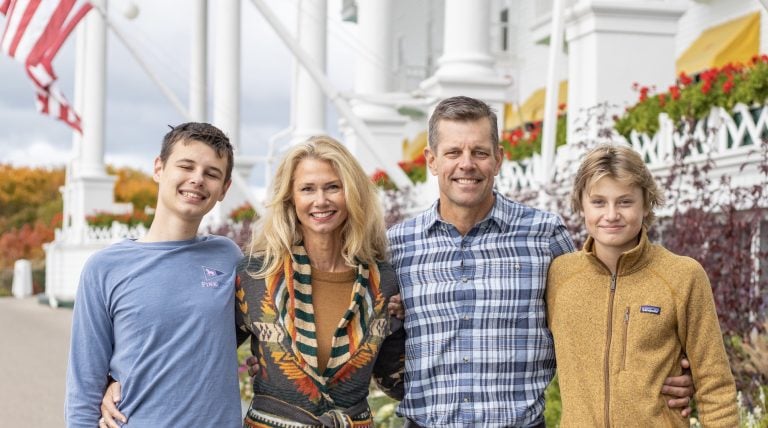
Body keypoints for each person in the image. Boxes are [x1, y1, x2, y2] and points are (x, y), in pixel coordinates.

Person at [386, 96, 695, 427]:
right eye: (453, 153)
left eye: (479, 152)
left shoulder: (544, 235)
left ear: (499, 158)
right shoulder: (399, 245)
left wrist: (668, 369)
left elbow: (600, 314)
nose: (467, 164)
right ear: (431, 161)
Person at [100, 136, 406, 427]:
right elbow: (198, 350)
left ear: (352, 193)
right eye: (308, 189)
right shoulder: (256, 275)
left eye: (333, 187)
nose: (321, 200)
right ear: (290, 198)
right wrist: (118, 381)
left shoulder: (383, 282)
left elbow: (396, 378)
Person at [546, 144, 738, 426]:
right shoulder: (559, 276)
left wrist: (690, 382)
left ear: (646, 203)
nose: (611, 215)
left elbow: (715, 383)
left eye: (625, 202)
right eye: (598, 202)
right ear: (581, 204)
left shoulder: (682, 275)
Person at [65, 122, 243, 427]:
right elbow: (83, 388)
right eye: (186, 166)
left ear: (224, 189)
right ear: (159, 168)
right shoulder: (105, 268)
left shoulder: (229, 257)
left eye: (211, 173)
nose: (197, 179)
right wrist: (110, 382)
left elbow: (248, 333)